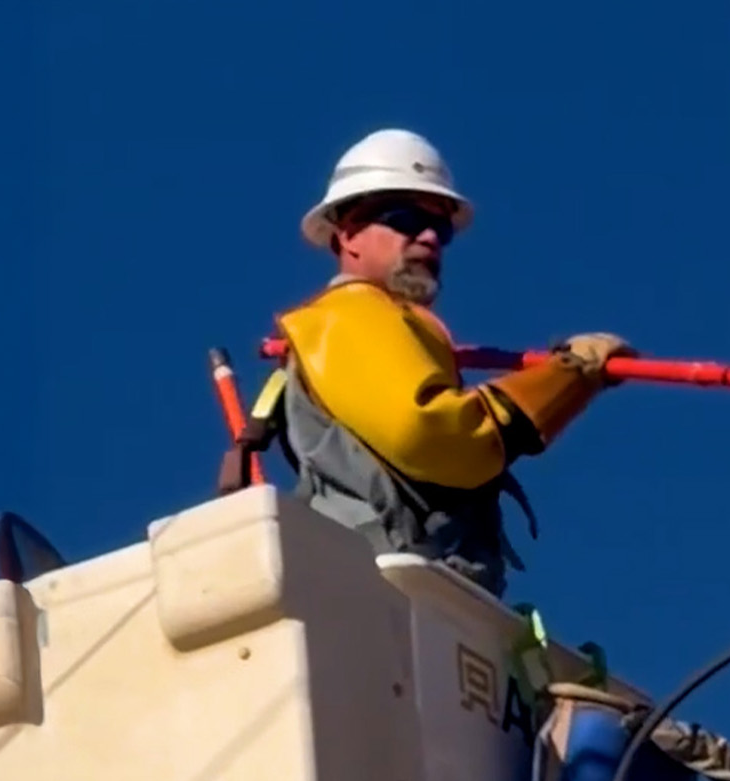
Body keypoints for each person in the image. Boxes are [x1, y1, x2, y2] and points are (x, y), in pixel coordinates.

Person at [225, 128, 634, 599]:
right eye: (405, 220)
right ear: (349, 234)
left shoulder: (386, 325)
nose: (428, 239)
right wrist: (568, 377)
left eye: (440, 229)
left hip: (414, 592)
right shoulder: (350, 315)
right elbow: (433, 436)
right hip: (388, 589)